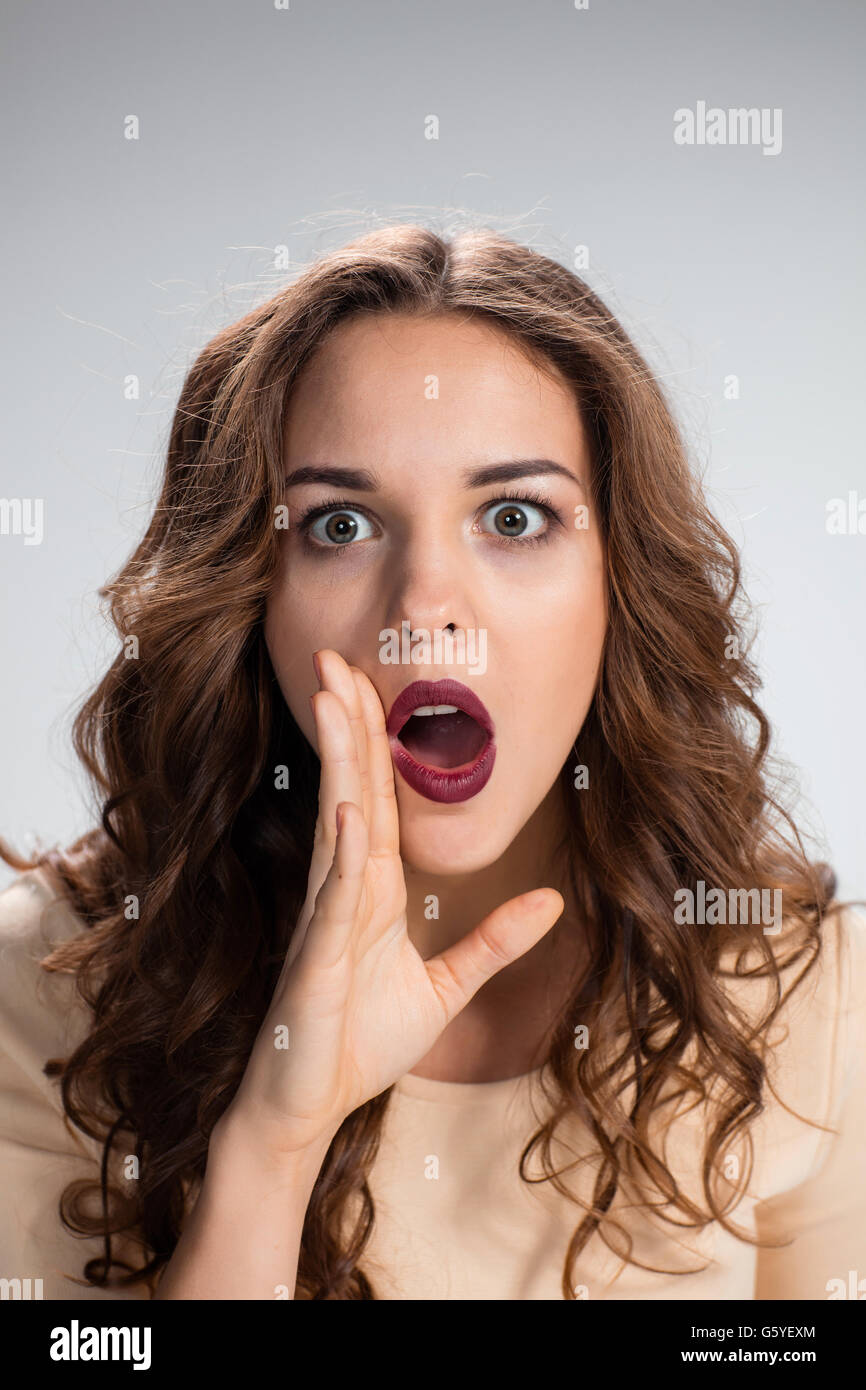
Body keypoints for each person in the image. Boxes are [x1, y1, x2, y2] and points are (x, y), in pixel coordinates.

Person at [0, 225, 863, 1301]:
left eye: (512, 516)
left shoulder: (808, 1000)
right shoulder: (43, 990)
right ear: (248, 595)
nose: (422, 610)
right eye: (341, 523)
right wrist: (273, 1142)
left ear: (618, 582)